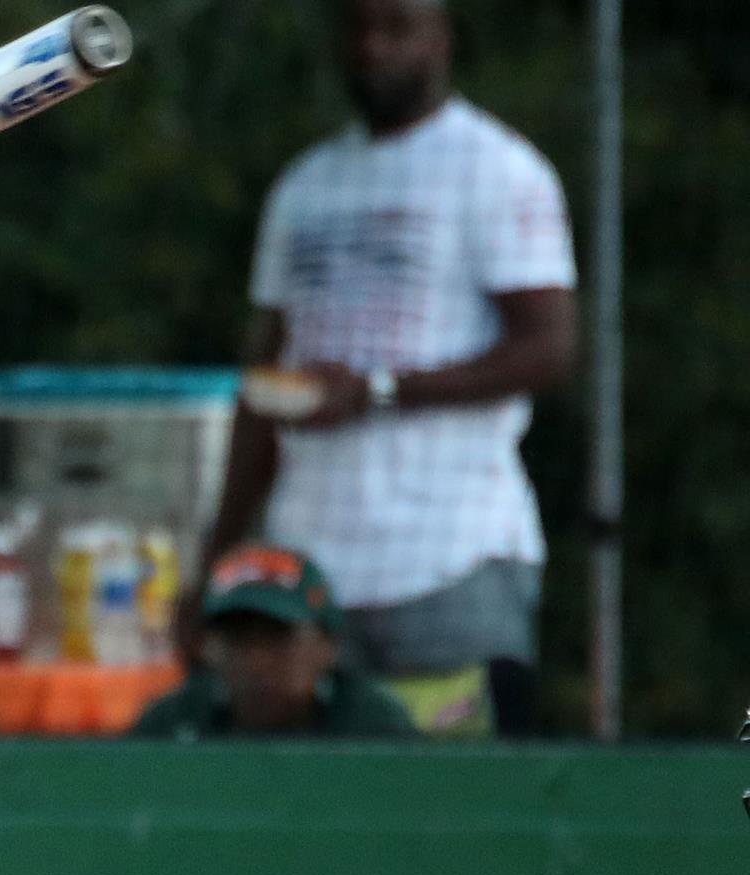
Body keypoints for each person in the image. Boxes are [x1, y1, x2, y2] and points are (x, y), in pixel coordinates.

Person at [191, 0, 577, 736]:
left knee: (458, 822)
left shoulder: (498, 170)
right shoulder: (304, 188)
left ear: (441, 34)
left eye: (396, 27)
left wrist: (376, 389)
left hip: (449, 561)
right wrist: (216, 554)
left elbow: (550, 347)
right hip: (309, 579)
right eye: (357, 28)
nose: (374, 48)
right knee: (327, 827)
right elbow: (262, 386)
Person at [132, 543, 414, 738]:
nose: (256, 660)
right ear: (207, 648)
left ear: (327, 646)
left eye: (277, 638)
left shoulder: (374, 727)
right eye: (237, 639)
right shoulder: (172, 725)